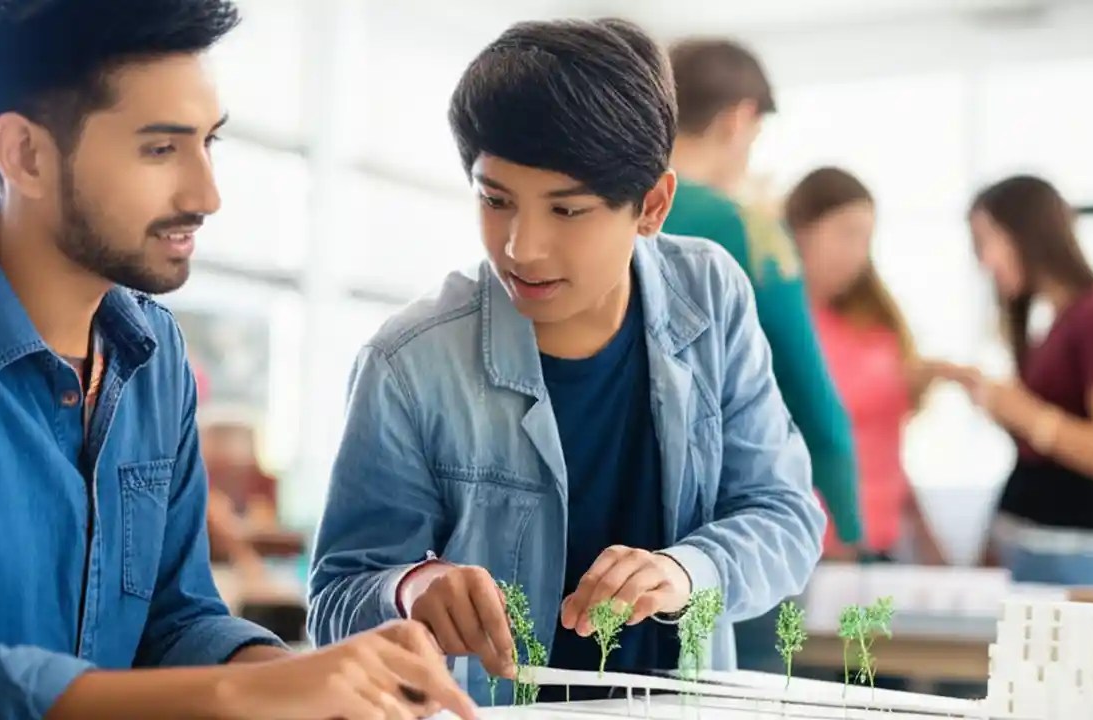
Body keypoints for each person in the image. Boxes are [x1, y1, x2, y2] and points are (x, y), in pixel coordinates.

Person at [0, 2, 475, 720]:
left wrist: (323, 681)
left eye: (208, 142)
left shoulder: (154, 354)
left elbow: (175, 622)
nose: (206, 195)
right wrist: (246, 692)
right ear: (26, 155)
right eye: (160, 149)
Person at [307, 18, 824, 705]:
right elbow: (336, 598)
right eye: (495, 200)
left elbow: (785, 515)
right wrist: (412, 589)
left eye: (567, 210)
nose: (521, 247)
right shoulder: (409, 361)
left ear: (652, 206)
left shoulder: (711, 297)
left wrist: (687, 571)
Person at [660, 38, 860, 676]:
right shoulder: (750, 228)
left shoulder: (601, 209)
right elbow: (809, 392)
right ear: (739, 119)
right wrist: (849, 525)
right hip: (732, 530)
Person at [935, 175, 1093, 586]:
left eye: (986, 241)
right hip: (1036, 546)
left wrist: (1026, 414)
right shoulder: (1059, 319)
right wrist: (1001, 405)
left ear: (1026, 234)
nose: (983, 261)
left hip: (1074, 556)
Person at [786, 167, 947, 565]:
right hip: (814, 548)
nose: (857, 253)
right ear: (801, 230)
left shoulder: (876, 325)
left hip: (879, 545)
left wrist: (925, 533)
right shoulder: (780, 327)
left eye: (865, 239)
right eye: (846, 234)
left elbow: (882, 446)